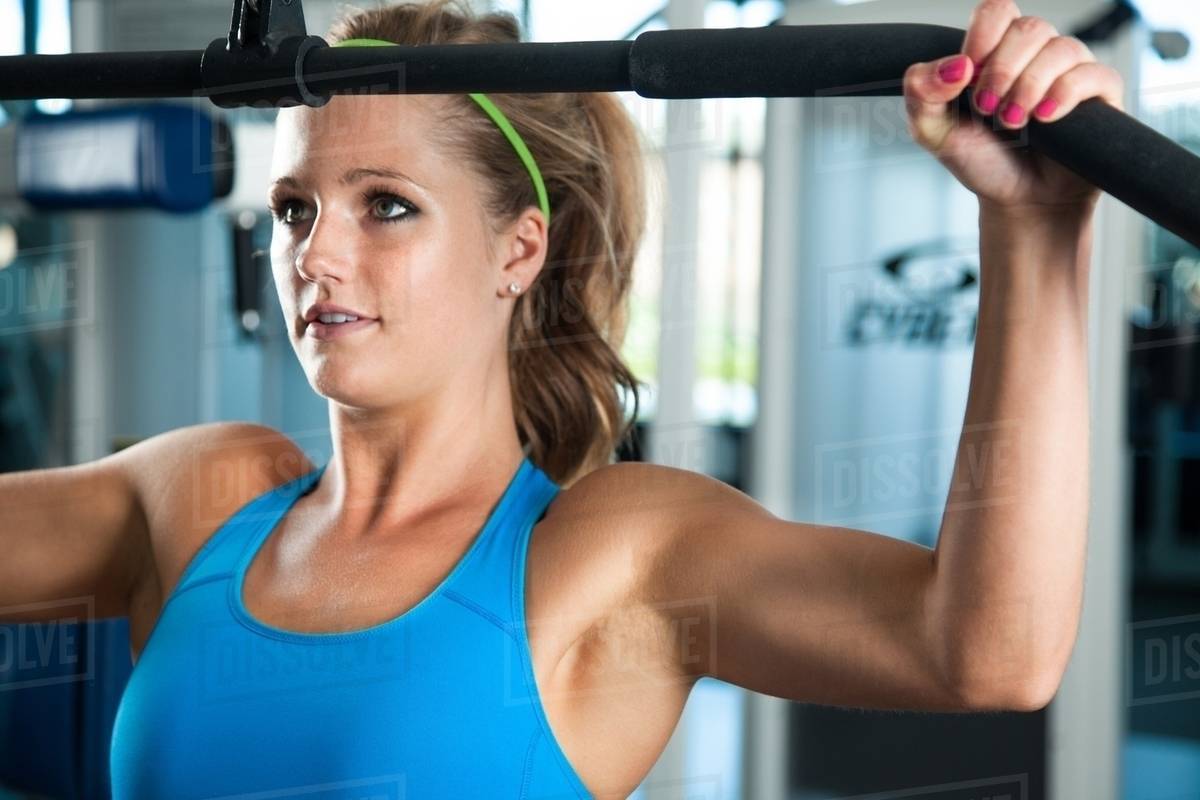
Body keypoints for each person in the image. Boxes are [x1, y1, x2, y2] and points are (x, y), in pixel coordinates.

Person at [0, 0, 1125, 797]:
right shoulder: (200, 496)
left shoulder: (609, 557)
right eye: (296, 208)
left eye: (385, 205)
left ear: (517, 247)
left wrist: (1031, 231)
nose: (316, 255)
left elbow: (988, 649)